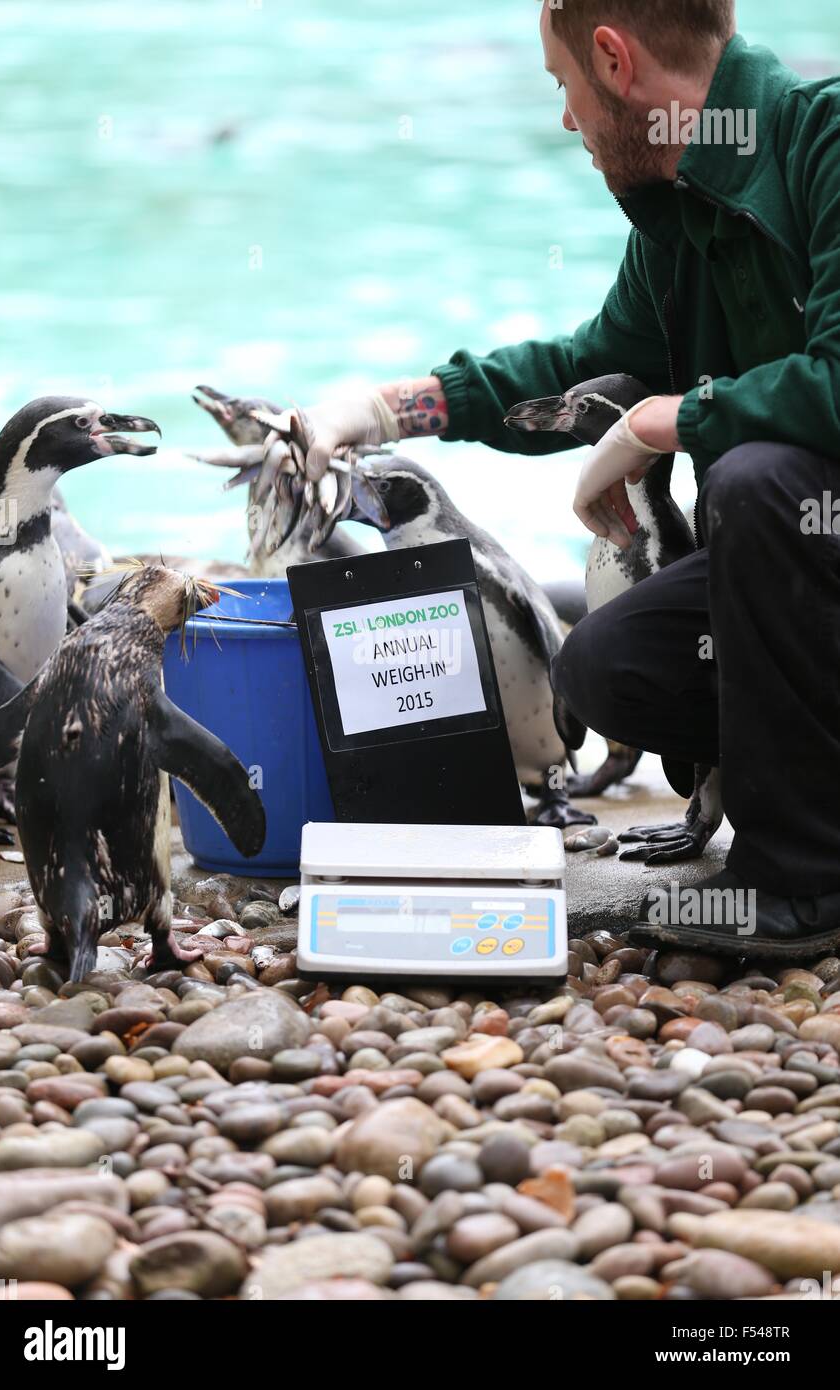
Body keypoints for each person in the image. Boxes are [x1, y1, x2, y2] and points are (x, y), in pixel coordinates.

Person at [280, 1, 840, 954]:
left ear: (614, 61)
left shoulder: (820, 138)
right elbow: (577, 368)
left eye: (562, 87)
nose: (567, 121)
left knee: (753, 480)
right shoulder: (676, 218)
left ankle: (801, 885)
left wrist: (673, 418)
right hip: (805, 584)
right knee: (604, 668)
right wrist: (383, 412)